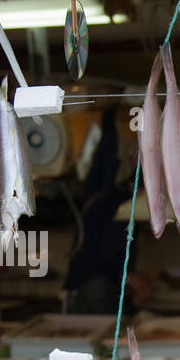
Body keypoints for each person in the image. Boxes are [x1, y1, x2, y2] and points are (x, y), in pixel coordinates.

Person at [64, 108, 156, 313]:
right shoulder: (123, 207)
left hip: (88, 284)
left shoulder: (111, 197)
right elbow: (109, 258)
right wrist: (136, 283)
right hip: (95, 285)